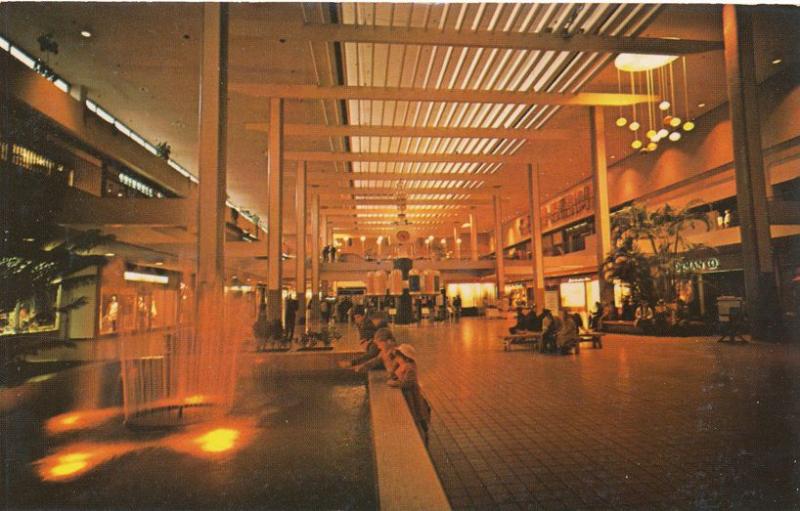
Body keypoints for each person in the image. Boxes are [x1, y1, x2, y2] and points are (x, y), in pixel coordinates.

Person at [388, 344, 431, 445]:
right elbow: (393, 374)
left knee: (418, 414)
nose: (396, 358)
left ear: (405, 357)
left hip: (412, 396)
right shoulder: (403, 365)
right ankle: (423, 435)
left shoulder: (410, 367)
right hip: (408, 395)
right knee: (417, 415)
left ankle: (424, 436)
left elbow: (407, 383)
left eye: (398, 356)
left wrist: (393, 383)